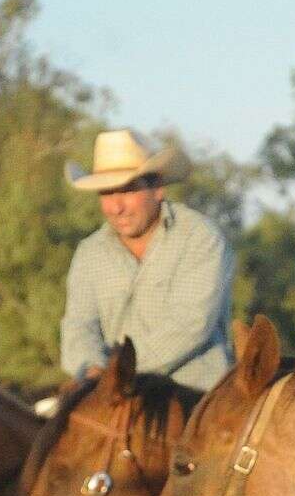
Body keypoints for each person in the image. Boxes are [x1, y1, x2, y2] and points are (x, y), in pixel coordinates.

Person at [60, 128, 235, 390]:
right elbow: (78, 326)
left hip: (194, 397)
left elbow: (190, 325)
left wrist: (117, 374)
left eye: (128, 190)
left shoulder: (200, 238)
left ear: (158, 189)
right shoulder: (89, 253)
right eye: (106, 193)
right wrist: (92, 368)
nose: (116, 207)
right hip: (113, 397)